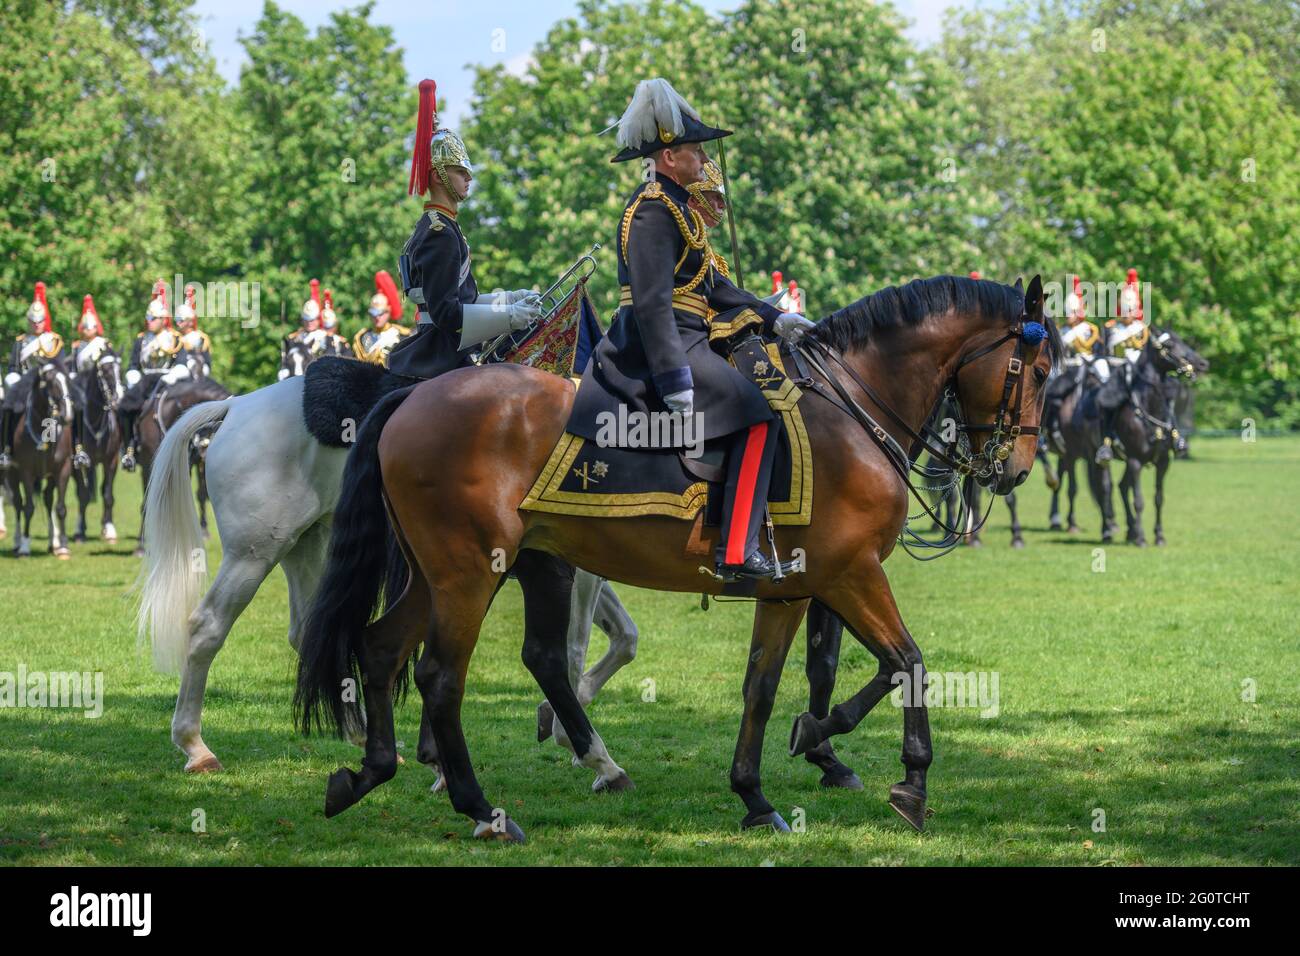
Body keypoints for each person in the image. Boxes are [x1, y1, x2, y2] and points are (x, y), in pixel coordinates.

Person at [566, 77, 812, 581]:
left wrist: (777, 318)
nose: (703, 160)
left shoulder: (677, 206)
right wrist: (674, 378)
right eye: (696, 151)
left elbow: (715, 285)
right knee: (760, 415)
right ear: (671, 156)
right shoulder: (653, 209)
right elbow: (654, 305)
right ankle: (739, 549)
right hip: (661, 344)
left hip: (689, 335)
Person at [386, 78, 541, 378]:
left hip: (449, 348)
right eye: (460, 172)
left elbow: (464, 302)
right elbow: (446, 314)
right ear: (436, 176)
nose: (468, 178)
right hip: (441, 354)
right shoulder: (438, 234)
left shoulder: (443, 226)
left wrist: (507, 299)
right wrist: (508, 317)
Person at [120, 281, 187, 470]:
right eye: (148, 317)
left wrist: (171, 376)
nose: (149, 320)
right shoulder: (141, 340)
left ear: (163, 319)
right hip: (145, 380)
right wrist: (133, 377)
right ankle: (130, 449)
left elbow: (182, 365)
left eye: (154, 318)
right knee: (124, 407)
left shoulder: (175, 338)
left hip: (168, 380)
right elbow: (133, 365)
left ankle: (193, 445)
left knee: (187, 404)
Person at [1, 282, 65, 470]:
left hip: (48, 386)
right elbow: (13, 368)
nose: (36, 325)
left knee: (67, 408)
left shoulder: (54, 341)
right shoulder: (20, 343)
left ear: (45, 320)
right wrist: (13, 379)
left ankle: (64, 449)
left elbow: (59, 366)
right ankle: (7, 449)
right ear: (29, 321)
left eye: (40, 321)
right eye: (33, 321)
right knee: (8, 408)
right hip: (24, 386)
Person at [1096, 267, 1149, 463]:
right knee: (1107, 403)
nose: (1128, 313)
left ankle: (1169, 434)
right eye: (1125, 309)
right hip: (1114, 373)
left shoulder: (1143, 329)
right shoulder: (1109, 328)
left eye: (1131, 309)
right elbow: (1101, 354)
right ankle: (1106, 442)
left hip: (1137, 374)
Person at [69, 294, 114, 470]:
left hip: (101, 385)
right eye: (85, 327)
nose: (88, 330)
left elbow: (110, 368)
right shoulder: (76, 346)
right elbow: (73, 369)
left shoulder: (103, 344)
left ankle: (127, 446)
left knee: (116, 408)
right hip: (80, 384)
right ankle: (77, 445)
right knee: (72, 409)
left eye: (91, 326)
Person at [352, 271, 411, 366]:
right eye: (373, 313)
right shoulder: (361, 337)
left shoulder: (401, 335)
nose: (377, 317)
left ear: (388, 311)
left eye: (381, 313)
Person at [278, 279, 323, 380]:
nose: (309, 323)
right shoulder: (293, 338)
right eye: (306, 320)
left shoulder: (326, 338)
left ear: (317, 319)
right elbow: (285, 359)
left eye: (312, 320)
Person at [175, 285, 212, 377]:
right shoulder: (174, 337)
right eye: (177, 319)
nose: (178, 323)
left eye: (181, 320)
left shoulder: (200, 338)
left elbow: (206, 361)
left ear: (190, 322)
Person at [317, 289, 353, 358]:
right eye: (326, 328)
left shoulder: (341, 342)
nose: (328, 331)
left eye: (330, 327)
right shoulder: (315, 339)